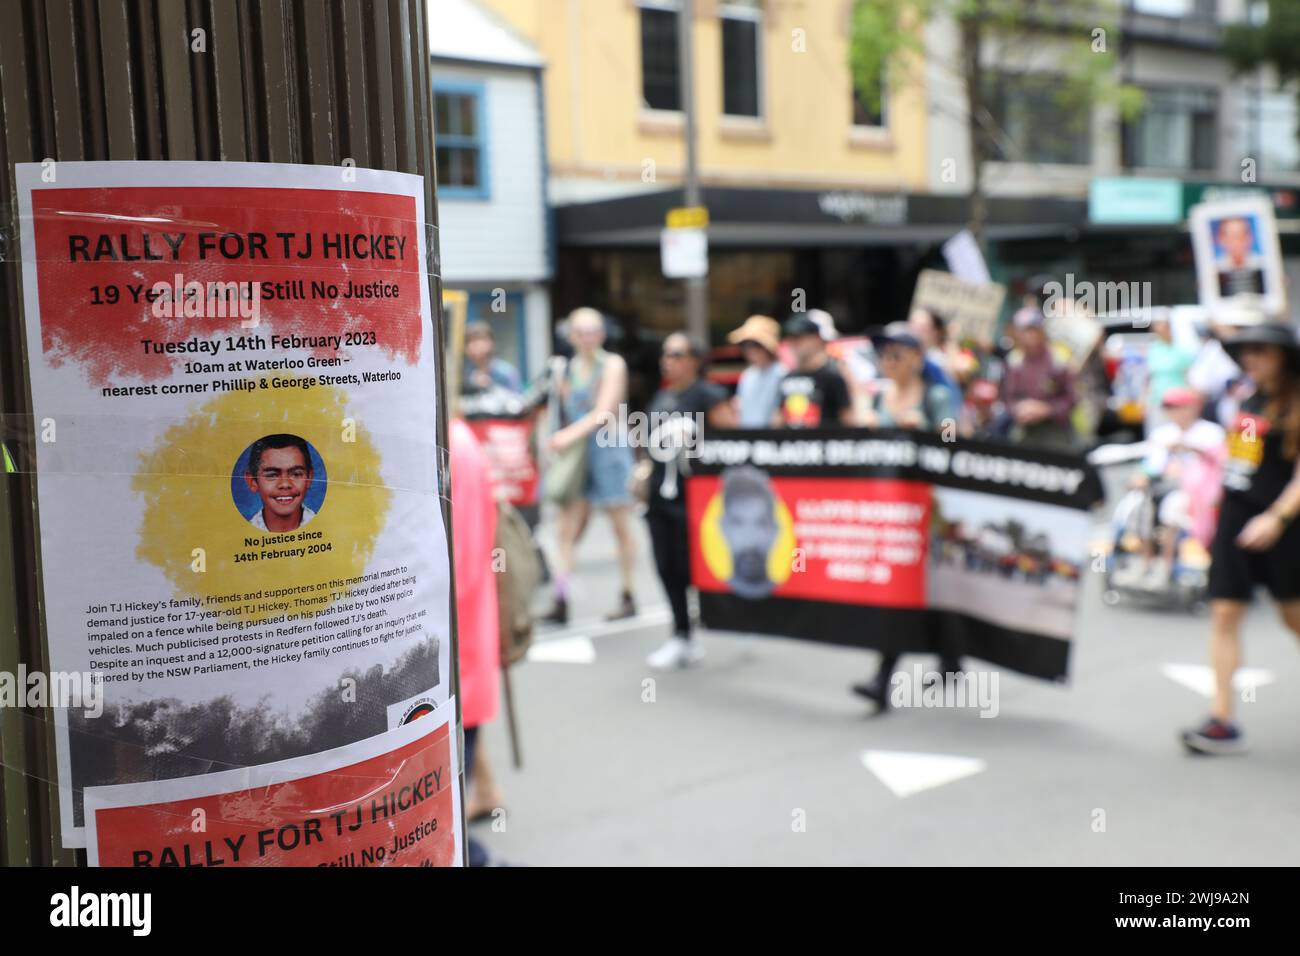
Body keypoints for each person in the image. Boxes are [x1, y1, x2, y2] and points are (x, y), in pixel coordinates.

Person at [1182, 323, 1300, 755]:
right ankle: (1222, 720)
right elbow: (1241, 462)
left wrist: (1277, 517)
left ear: (1282, 355)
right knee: (1225, 612)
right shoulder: (1250, 399)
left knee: (1293, 617)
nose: (1249, 357)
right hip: (1236, 520)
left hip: (1283, 527)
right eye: (1244, 351)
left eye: (1260, 350)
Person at [852, 325, 961, 710]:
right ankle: (946, 661)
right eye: (884, 356)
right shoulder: (882, 398)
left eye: (896, 354)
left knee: (922, 586)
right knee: (906, 587)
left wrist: (927, 430)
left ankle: (886, 678)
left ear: (916, 358)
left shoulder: (937, 395)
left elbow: (955, 439)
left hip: (929, 510)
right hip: (893, 510)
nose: (889, 362)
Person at [644, 332, 736, 669]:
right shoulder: (663, 396)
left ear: (695, 359)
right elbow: (650, 443)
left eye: (677, 354)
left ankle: (721, 624)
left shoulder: (708, 396)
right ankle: (681, 634)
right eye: (665, 354)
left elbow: (733, 445)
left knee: (696, 566)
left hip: (694, 500)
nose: (669, 360)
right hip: (659, 497)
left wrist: (697, 440)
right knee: (667, 567)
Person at [542, 308, 639, 625]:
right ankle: (561, 599)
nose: (588, 337)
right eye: (581, 331)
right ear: (571, 335)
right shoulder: (563, 369)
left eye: (594, 330)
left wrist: (565, 436)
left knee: (620, 526)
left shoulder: (612, 364)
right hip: (578, 454)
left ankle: (628, 595)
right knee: (566, 531)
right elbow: (559, 412)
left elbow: (604, 411)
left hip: (608, 451)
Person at [448, 418, 501, 865]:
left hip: (457, 628)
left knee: (458, 735)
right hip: (469, 621)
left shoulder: (449, 446)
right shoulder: (459, 436)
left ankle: (465, 850)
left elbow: (460, 563)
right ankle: (487, 790)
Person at [1114, 388, 1225, 589]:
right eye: (1170, 408)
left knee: (1173, 511)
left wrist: (1190, 451)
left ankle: (1165, 567)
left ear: (1193, 407)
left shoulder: (1211, 433)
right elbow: (1150, 465)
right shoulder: (1162, 433)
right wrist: (1141, 476)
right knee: (1137, 507)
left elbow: (1221, 465)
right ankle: (1144, 561)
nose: (1175, 412)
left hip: (1195, 493)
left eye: (1179, 407)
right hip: (1161, 487)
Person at [1001, 307, 1077, 450]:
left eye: (1032, 330)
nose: (1028, 336)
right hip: (1025, 428)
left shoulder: (1058, 359)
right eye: (1023, 331)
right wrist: (1020, 409)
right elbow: (1008, 398)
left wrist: (1047, 409)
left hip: (1055, 430)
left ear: (1042, 331)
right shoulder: (1014, 361)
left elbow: (1072, 398)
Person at [861, 323, 959, 430]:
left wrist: (923, 426)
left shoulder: (939, 396)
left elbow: (950, 438)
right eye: (882, 354)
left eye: (895, 355)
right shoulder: (879, 395)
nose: (887, 361)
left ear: (917, 357)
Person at [775, 315, 855, 427]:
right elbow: (779, 419)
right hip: (792, 442)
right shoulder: (786, 377)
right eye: (789, 337)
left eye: (798, 337)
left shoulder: (832, 376)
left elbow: (848, 420)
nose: (793, 343)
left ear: (816, 339)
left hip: (824, 442)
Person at [243, 434, 317, 532]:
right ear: (252, 481)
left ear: (309, 477)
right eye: (272, 475)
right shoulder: (241, 538)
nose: (285, 484)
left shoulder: (329, 531)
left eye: (296, 474)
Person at [727, 314, 787, 427]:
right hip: (747, 440)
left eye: (755, 344)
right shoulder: (748, 375)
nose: (749, 350)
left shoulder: (783, 374)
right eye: (744, 345)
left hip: (771, 441)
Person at [1144, 314, 1198, 435]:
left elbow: (1189, 376)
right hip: (1158, 401)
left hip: (1178, 403)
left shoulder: (1181, 349)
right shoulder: (1153, 349)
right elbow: (1149, 377)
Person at [463, 321, 522, 394]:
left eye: (476, 341)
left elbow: (517, 402)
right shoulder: (466, 374)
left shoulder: (507, 373)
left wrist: (490, 387)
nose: (471, 346)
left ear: (490, 343)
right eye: (468, 342)